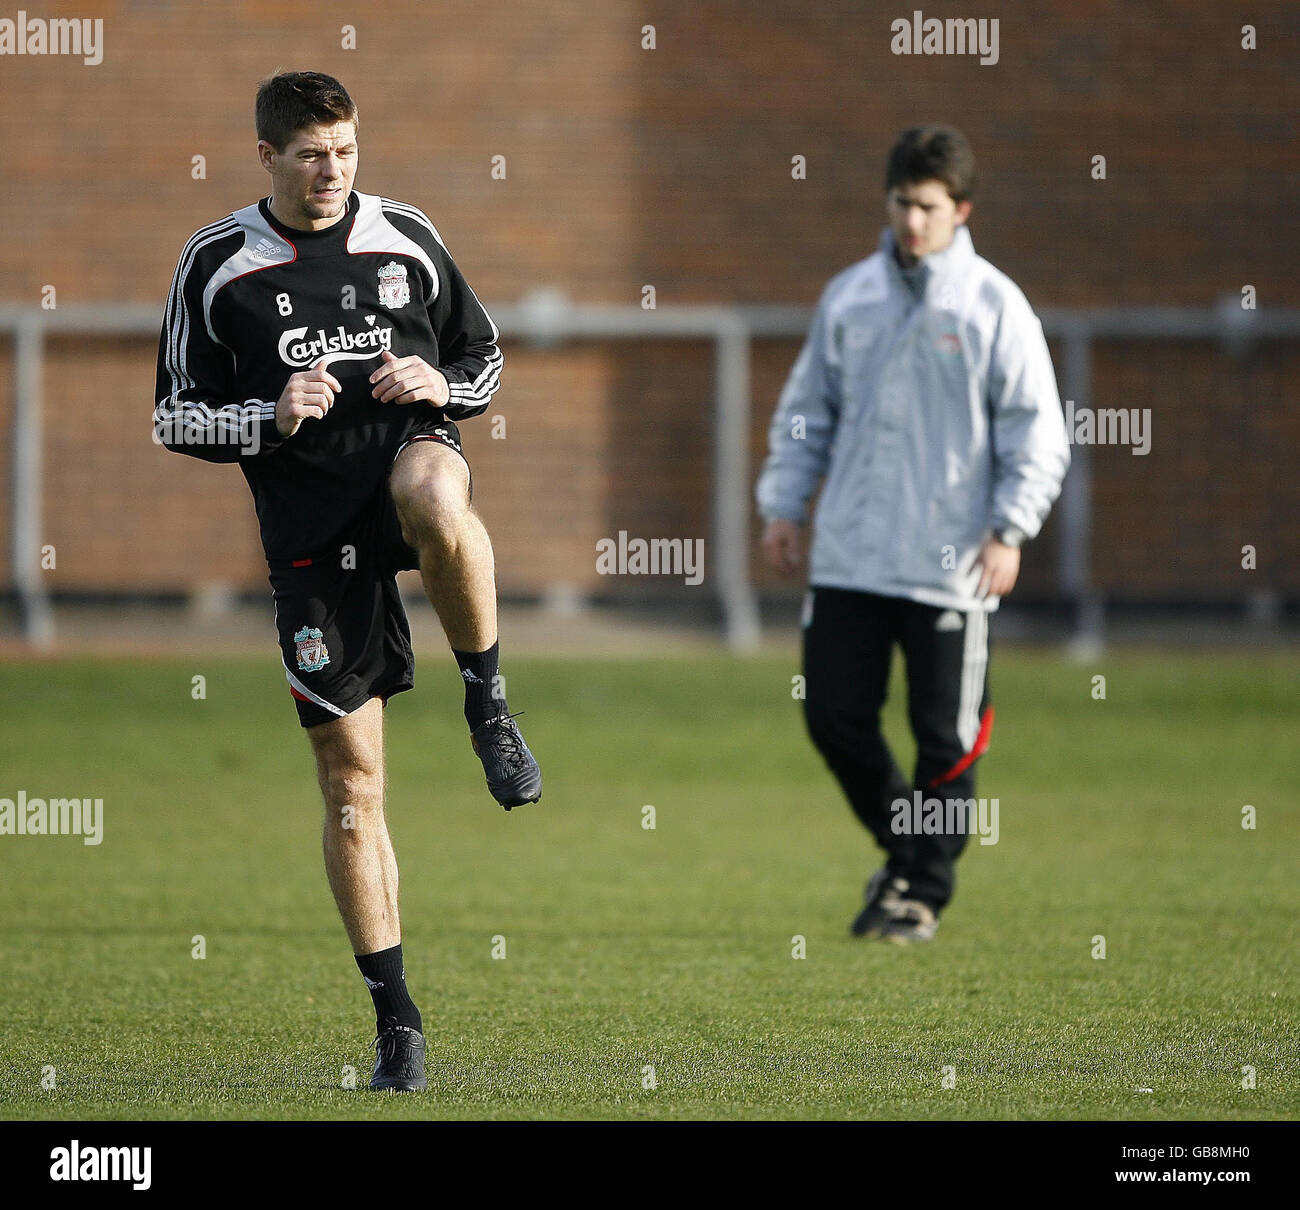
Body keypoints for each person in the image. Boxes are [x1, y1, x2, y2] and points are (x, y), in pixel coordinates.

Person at [153, 70, 542, 1090]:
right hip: (310, 533)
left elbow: (485, 356)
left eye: (348, 150)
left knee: (435, 493)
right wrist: (267, 416)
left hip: (409, 460)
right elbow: (172, 415)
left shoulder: (405, 234)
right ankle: (397, 1023)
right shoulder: (216, 265)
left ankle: (488, 706)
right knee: (352, 788)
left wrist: (443, 387)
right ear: (269, 157)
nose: (334, 173)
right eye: (313, 155)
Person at [756, 125, 1069, 943]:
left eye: (929, 206)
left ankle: (919, 894)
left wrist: (1010, 529)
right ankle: (909, 851)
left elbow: (1037, 431)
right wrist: (783, 506)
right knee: (832, 716)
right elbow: (805, 413)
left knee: (947, 739)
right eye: (901, 202)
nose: (912, 221)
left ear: (960, 209)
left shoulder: (996, 305)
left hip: (953, 564)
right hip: (854, 556)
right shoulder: (849, 296)